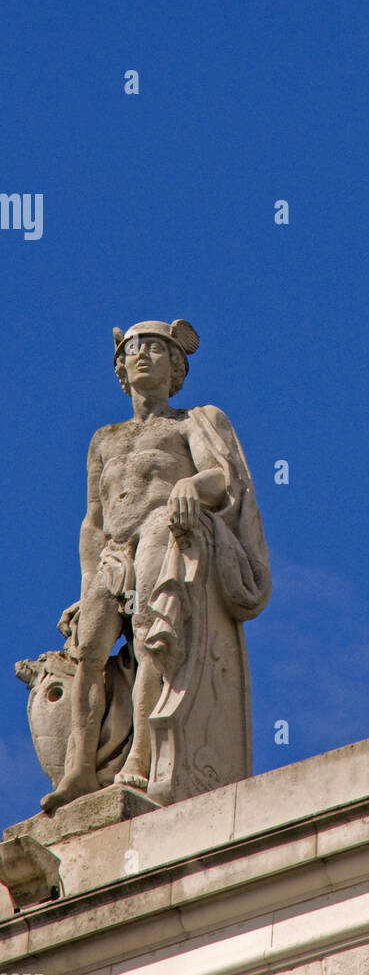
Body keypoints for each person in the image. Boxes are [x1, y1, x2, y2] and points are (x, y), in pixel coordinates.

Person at [41, 320, 270, 814]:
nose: (142, 356)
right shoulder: (104, 439)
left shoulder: (188, 423)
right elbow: (92, 521)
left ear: (176, 368)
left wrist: (191, 486)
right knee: (88, 654)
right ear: (120, 368)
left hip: (159, 530)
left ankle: (141, 756)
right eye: (132, 350)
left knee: (150, 641)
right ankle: (79, 770)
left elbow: (222, 480)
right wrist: (86, 584)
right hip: (112, 550)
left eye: (156, 350)